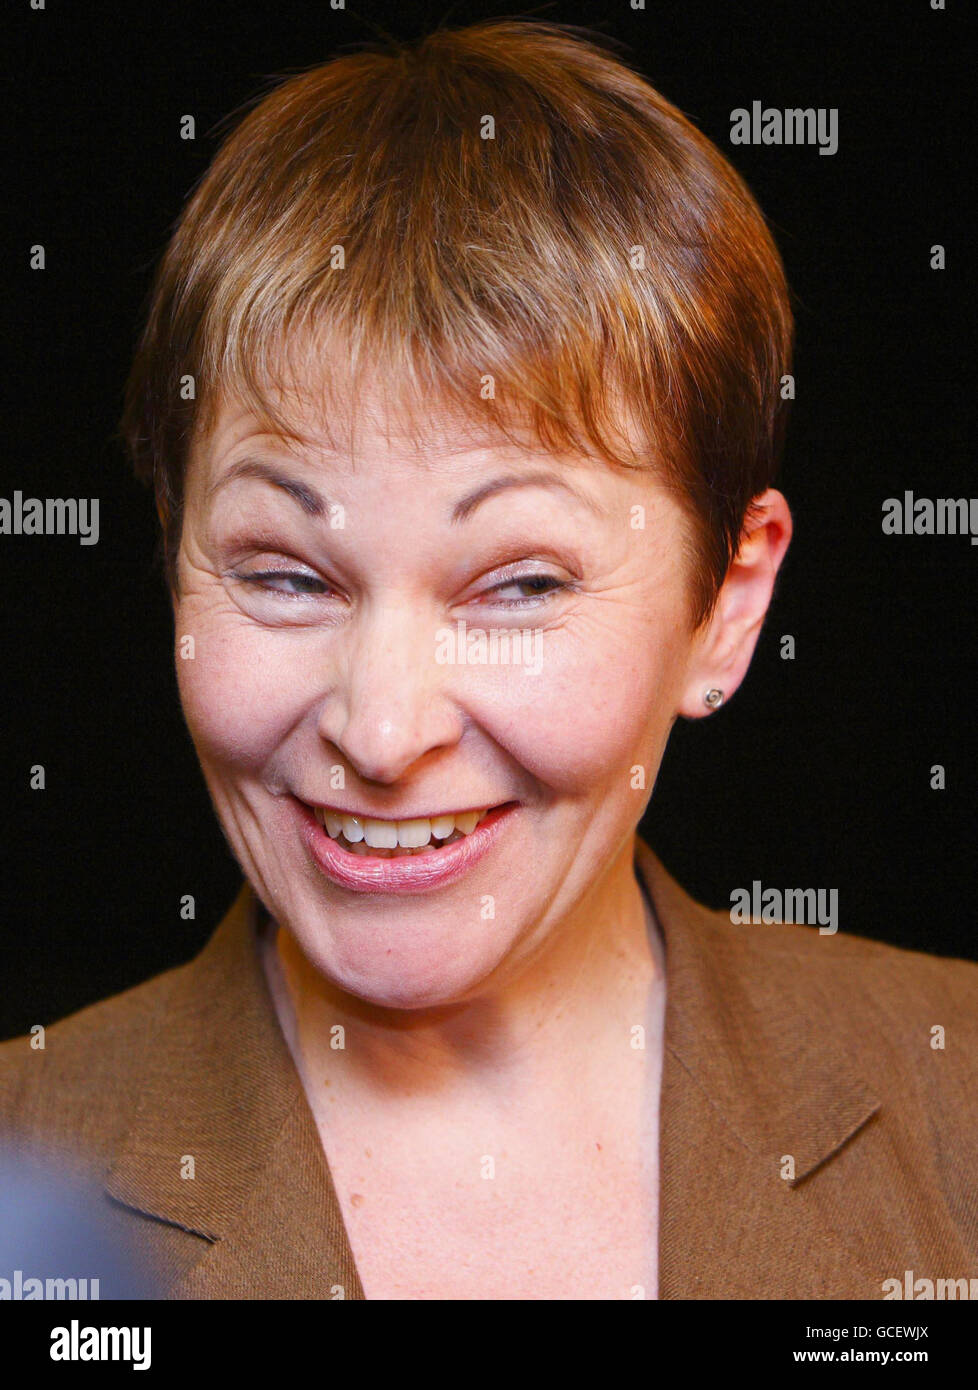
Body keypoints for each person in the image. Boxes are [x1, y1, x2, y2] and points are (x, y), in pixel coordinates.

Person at [2, 19, 975, 1301]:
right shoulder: (27, 1175)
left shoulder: (952, 1094)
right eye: (286, 574)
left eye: (519, 584)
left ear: (728, 604)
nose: (385, 728)